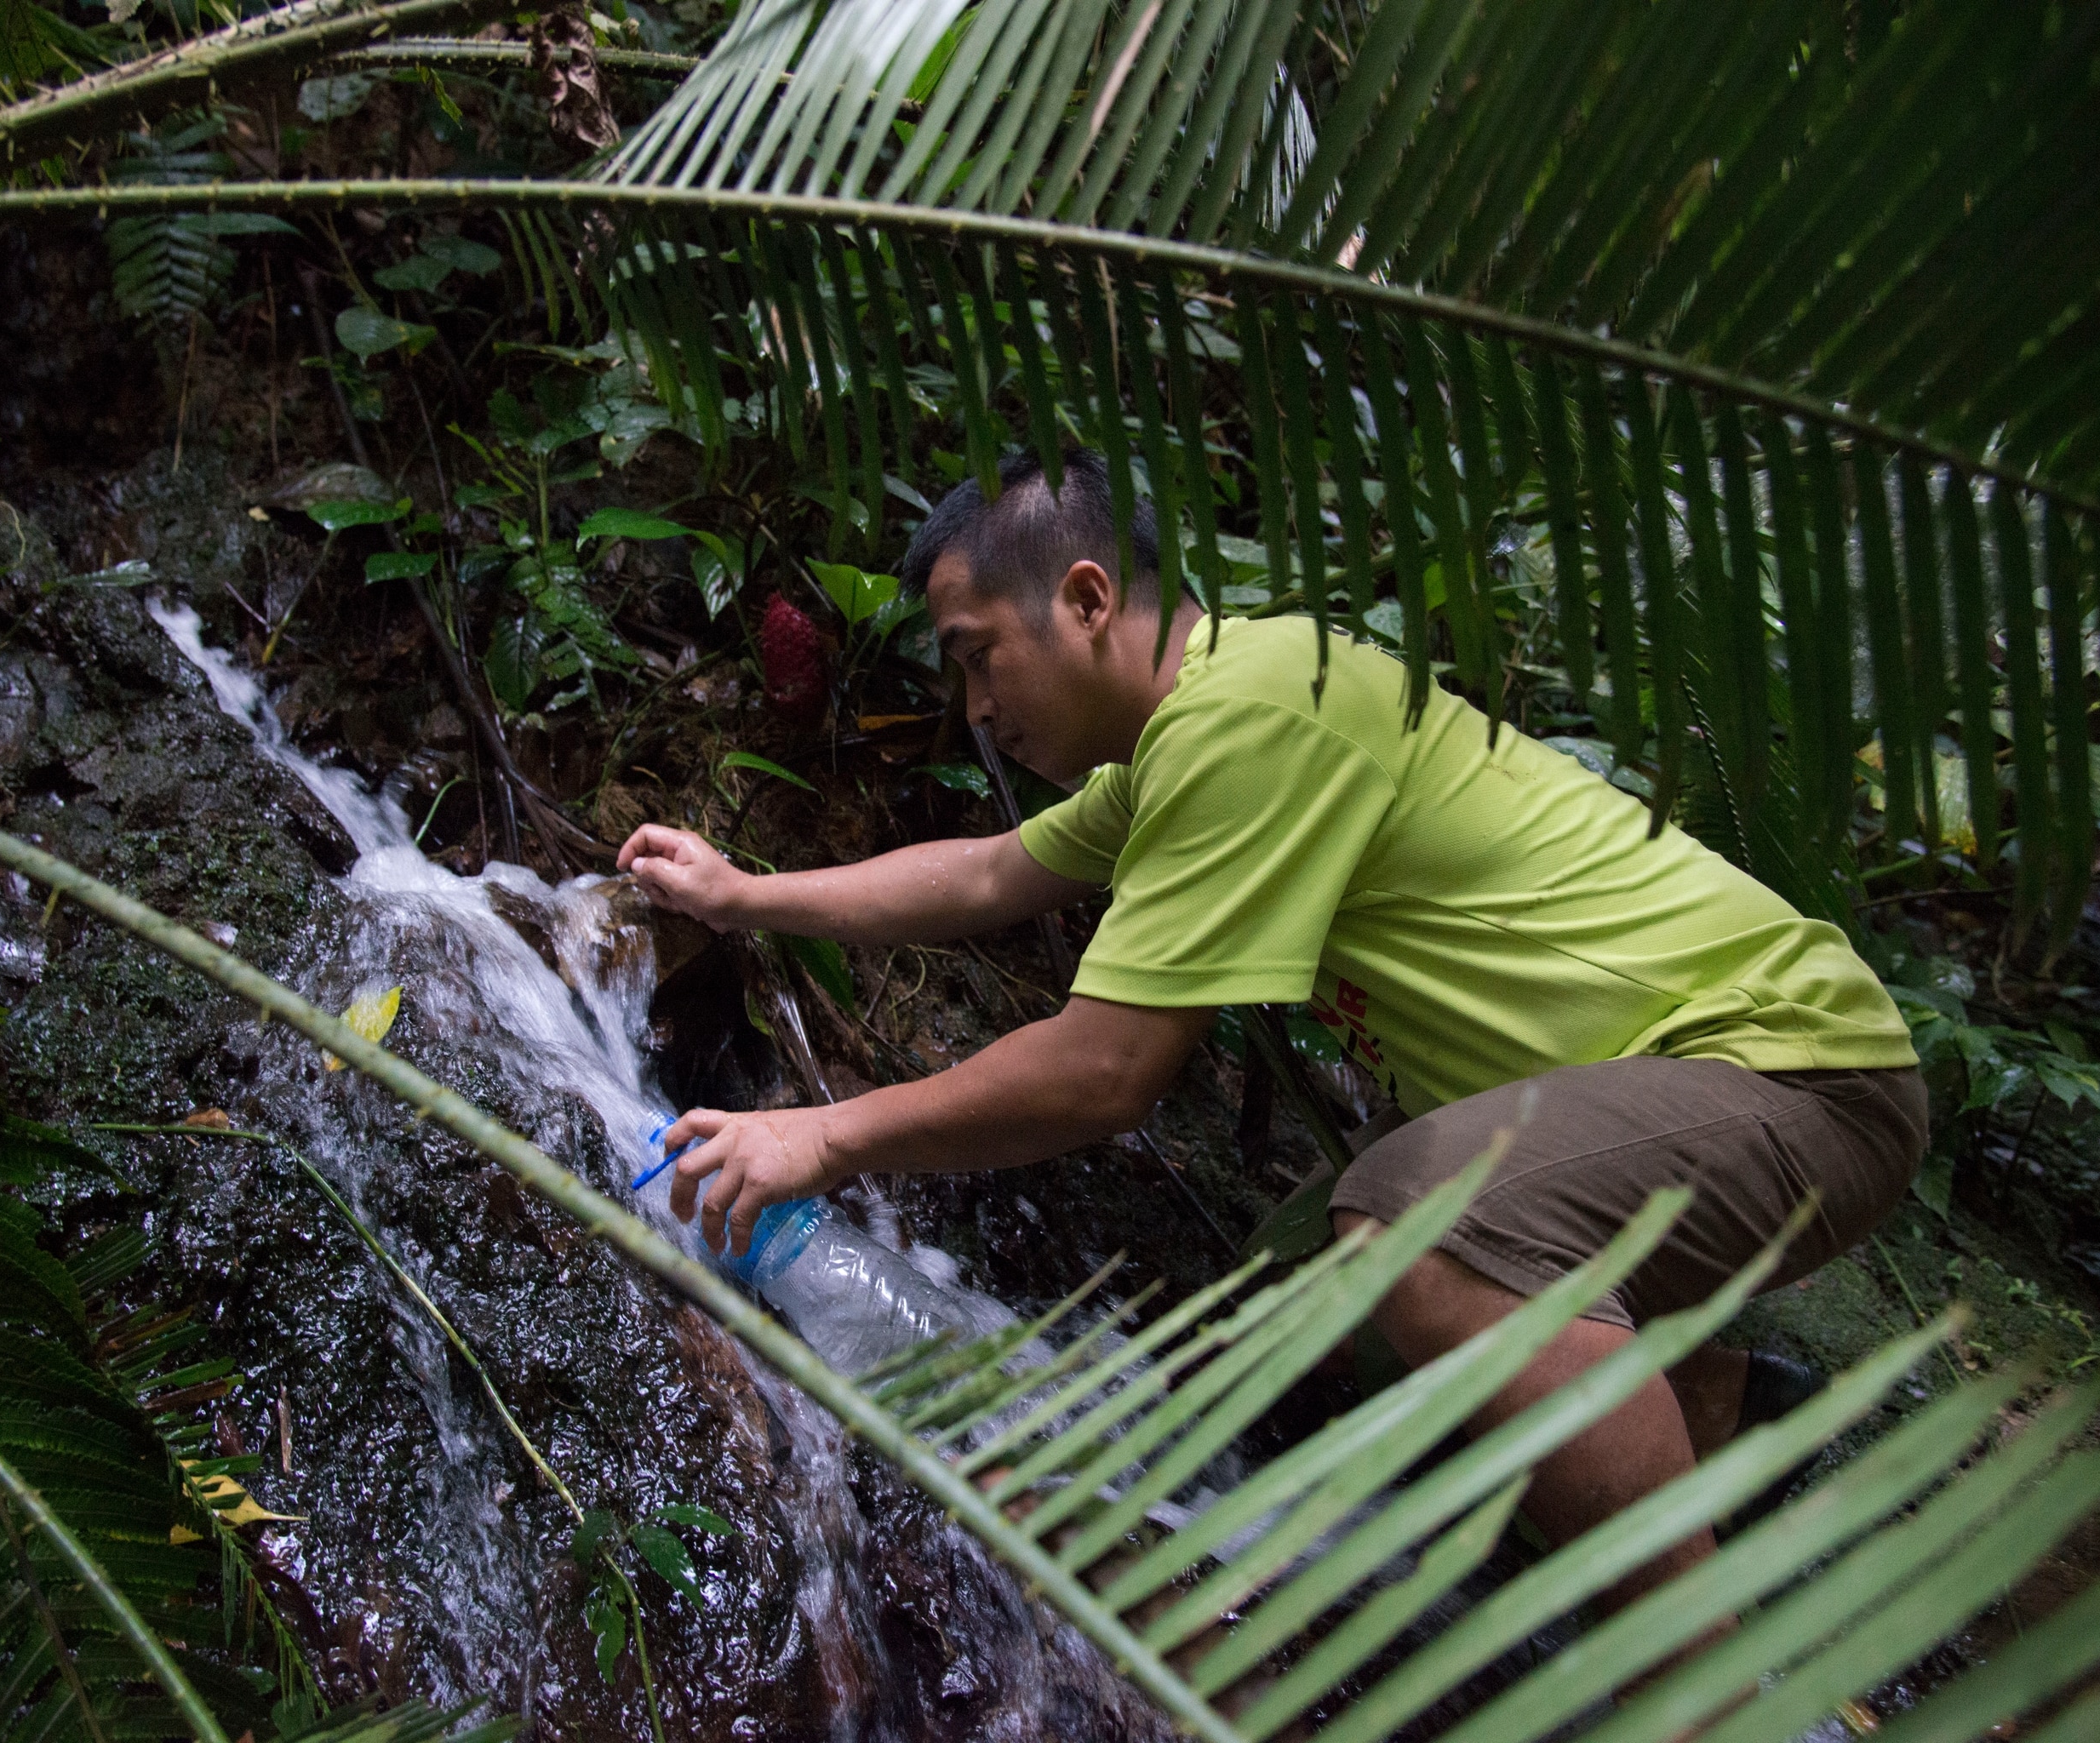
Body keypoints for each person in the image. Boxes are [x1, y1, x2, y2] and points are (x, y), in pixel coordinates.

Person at [617, 447, 1925, 1609]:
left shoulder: (1245, 720)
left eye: (974, 653)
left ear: (1083, 600)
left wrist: (824, 1141)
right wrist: (740, 893)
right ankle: (1734, 1422)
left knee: (1417, 1224)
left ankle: (1693, 1694)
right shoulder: (1208, 725)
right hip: (1710, 1096)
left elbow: (1107, 1071)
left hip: (1785, 1069)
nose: (972, 707)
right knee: (1380, 1303)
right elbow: (987, 876)